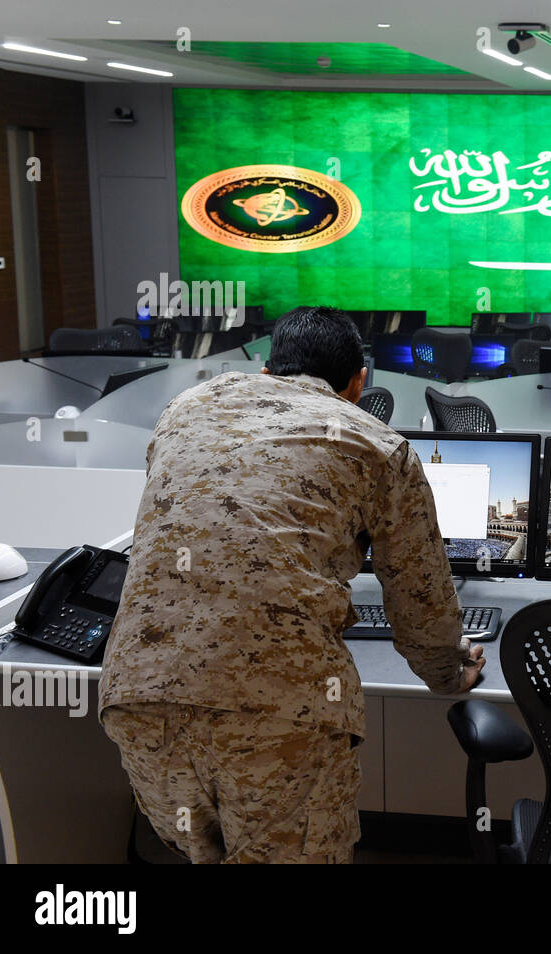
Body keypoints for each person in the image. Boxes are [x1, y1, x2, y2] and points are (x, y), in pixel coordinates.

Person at [98, 306, 484, 863]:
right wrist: (450, 671)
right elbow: (418, 596)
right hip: (278, 714)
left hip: (137, 700)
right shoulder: (376, 444)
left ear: (265, 372)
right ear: (358, 383)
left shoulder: (182, 411)